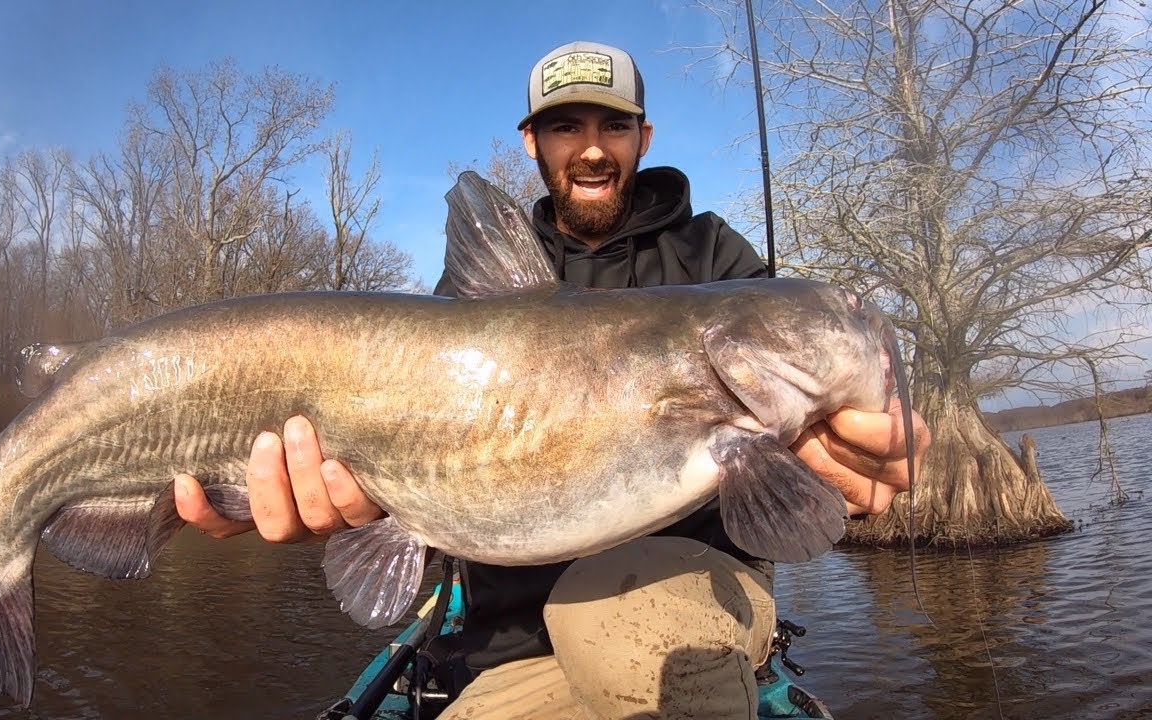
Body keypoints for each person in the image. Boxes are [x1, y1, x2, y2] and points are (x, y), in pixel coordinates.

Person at [174, 41, 930, 720]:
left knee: (637, 647)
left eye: (614, 127)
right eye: (567, 127)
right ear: (531, 141)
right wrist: (354, 504)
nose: (593, 150)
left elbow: (815, 485)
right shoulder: (466, 307)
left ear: (645, 138)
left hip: (685, 602)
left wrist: (863, 470)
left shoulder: (714, 262)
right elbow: (410, 482)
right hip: (505, 639)